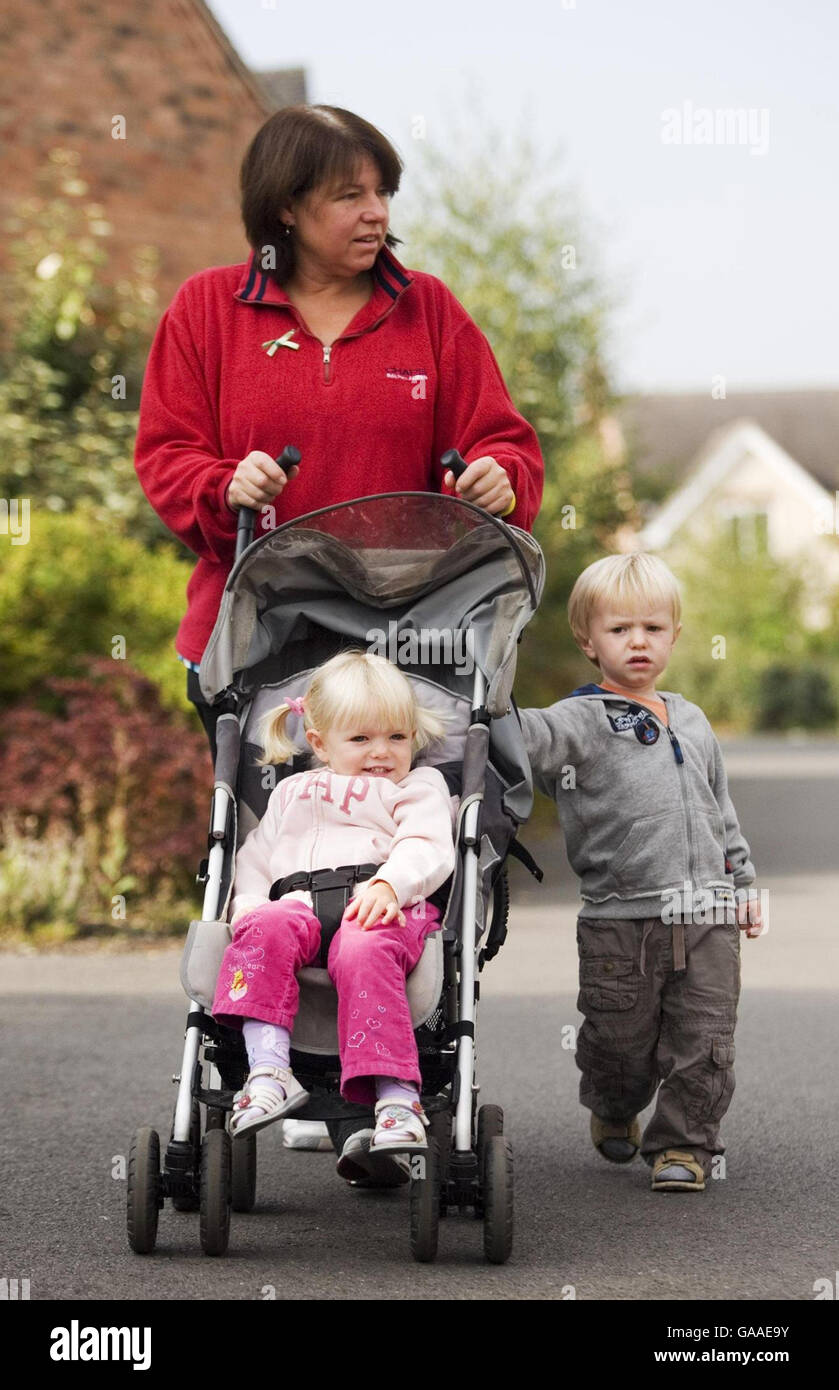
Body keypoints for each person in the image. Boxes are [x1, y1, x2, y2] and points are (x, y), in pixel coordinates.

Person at [133, 103, 544, 759]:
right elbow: (166, 456)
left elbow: (502, 442)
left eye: (382, 192)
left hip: (410, 637)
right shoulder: (205, 310)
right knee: (273, 846)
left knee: (405, 836)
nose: (377, 211)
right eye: (350, 195)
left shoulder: (428, 310)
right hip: (251, 641)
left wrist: (501, 476)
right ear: (287, 207)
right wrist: (224, 484)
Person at [518, 553, 763, 1192]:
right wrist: (488, 698)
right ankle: (615, 1103)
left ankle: (683, 1146)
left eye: (653, 629)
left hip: (707, 916)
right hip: (619, 921)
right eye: (620, 629)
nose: (638, 642)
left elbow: (721, 810)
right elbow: (524, 738)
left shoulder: (692, 718)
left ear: (675, 635)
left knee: (705, 1039)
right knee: (619, 1041)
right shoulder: (580, 719)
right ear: (588, 640)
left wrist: (741, 884)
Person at [210, 650, 457, 1177]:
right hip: (295, 906)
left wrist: (392, 880)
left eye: (397, 737)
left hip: (381, 910)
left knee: (363, 945)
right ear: (319, 742)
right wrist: (250, 911)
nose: (382, 753)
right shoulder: (291, 793)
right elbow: (255, 861)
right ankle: (271, 1073)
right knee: (262, 927)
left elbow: (427, 845)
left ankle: (395, 1097)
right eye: (361, 739)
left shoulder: (418, 788)